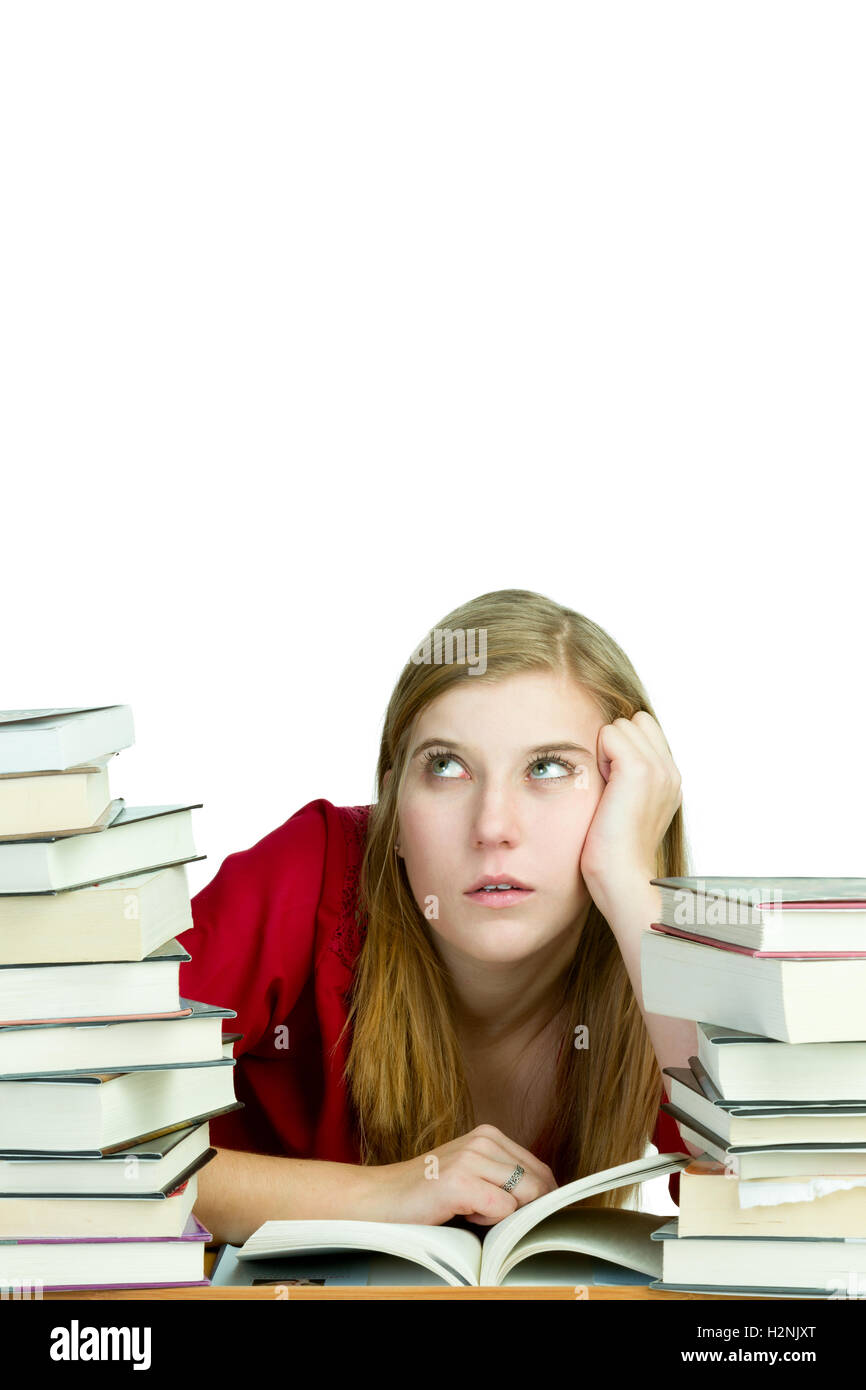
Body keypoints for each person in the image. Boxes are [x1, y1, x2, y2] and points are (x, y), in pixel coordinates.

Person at [178, 589, 699, 1248]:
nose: (492, 827)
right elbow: (59, 1149)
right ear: (395, 807)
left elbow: (774, 1190)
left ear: (624, 793)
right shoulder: (303, 879)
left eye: (547, 768)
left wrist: (630, 885)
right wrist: (388, 1192)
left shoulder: (646, 950)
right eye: (448, 767)